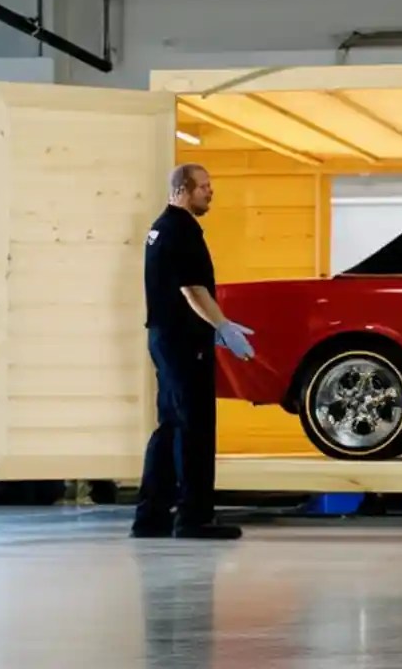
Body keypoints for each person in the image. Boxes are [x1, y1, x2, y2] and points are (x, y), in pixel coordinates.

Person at [131, 164, 256, 540]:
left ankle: (151, 516)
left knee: (170, 425)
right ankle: (194, 517)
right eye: (204, 186)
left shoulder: (160, 228)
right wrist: (222, 325)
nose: (210, 192)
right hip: (183, 343)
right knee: (195, 427)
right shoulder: (182, 229)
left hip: (166, 337)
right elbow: (193, 289)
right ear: (182, 189)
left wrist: (212, 327)